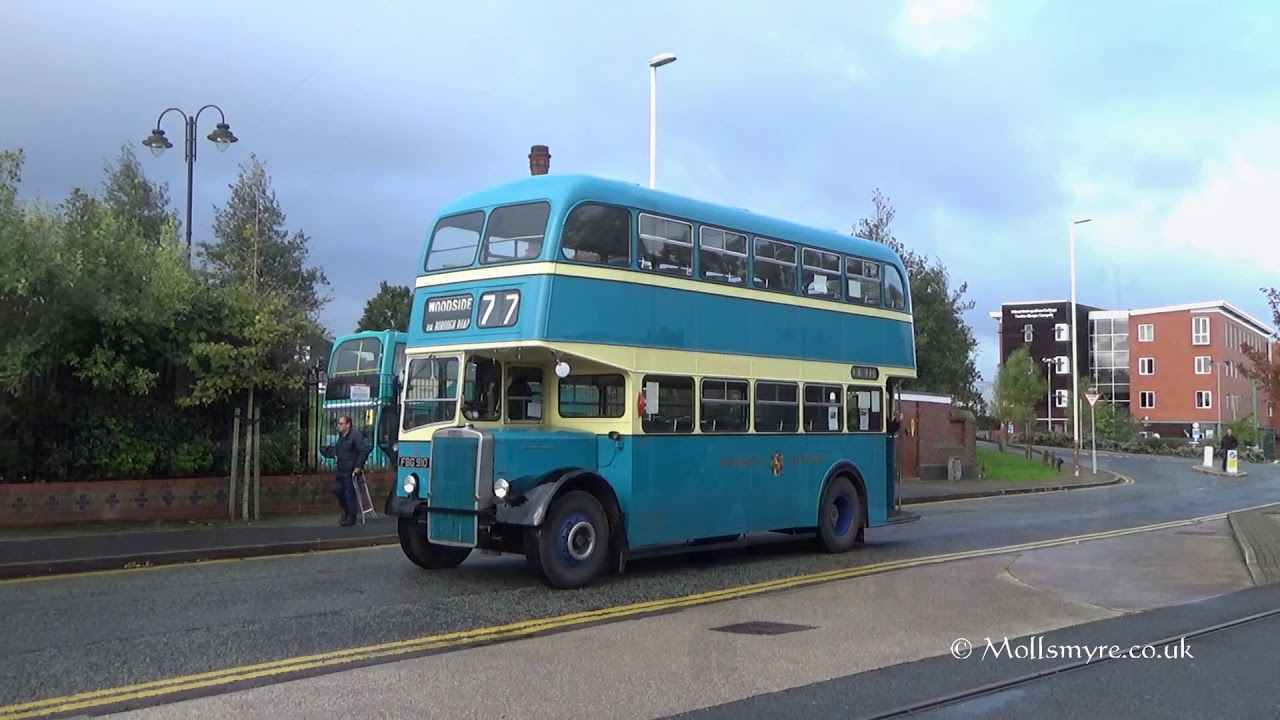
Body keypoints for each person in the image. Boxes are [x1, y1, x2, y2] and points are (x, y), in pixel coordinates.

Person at [333, 414, 372, 526]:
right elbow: (340, 449)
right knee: (338, 490)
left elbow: (363, 451)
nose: (339, 426)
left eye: (341, 423)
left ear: (348, 424)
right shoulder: (341, 437)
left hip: (350, 470)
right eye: (339, 423)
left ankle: (351, 517)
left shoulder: (355, 436)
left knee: (349, 494)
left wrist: (358, 466)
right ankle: (346, 513)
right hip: (341, 469)